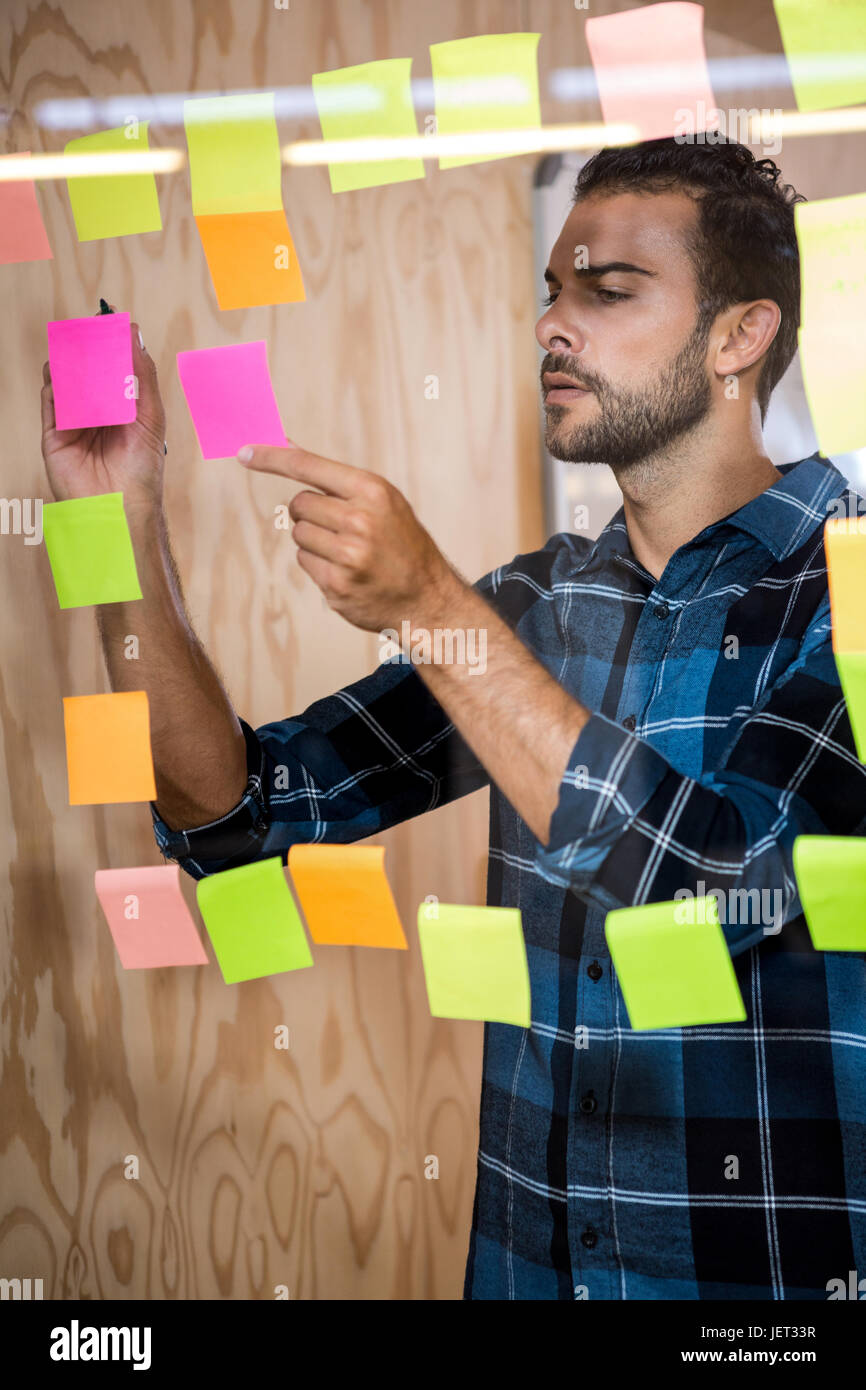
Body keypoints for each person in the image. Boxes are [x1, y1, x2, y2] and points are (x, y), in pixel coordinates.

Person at [41, 136, 866, 1301]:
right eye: (551, 290)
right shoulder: (536, 605)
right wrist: (116, 519)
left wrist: (429, 605)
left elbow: (708, 887)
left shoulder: (849, 583)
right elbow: (232, 814)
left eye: (607, 290)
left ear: (739, 336)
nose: (551, 325)